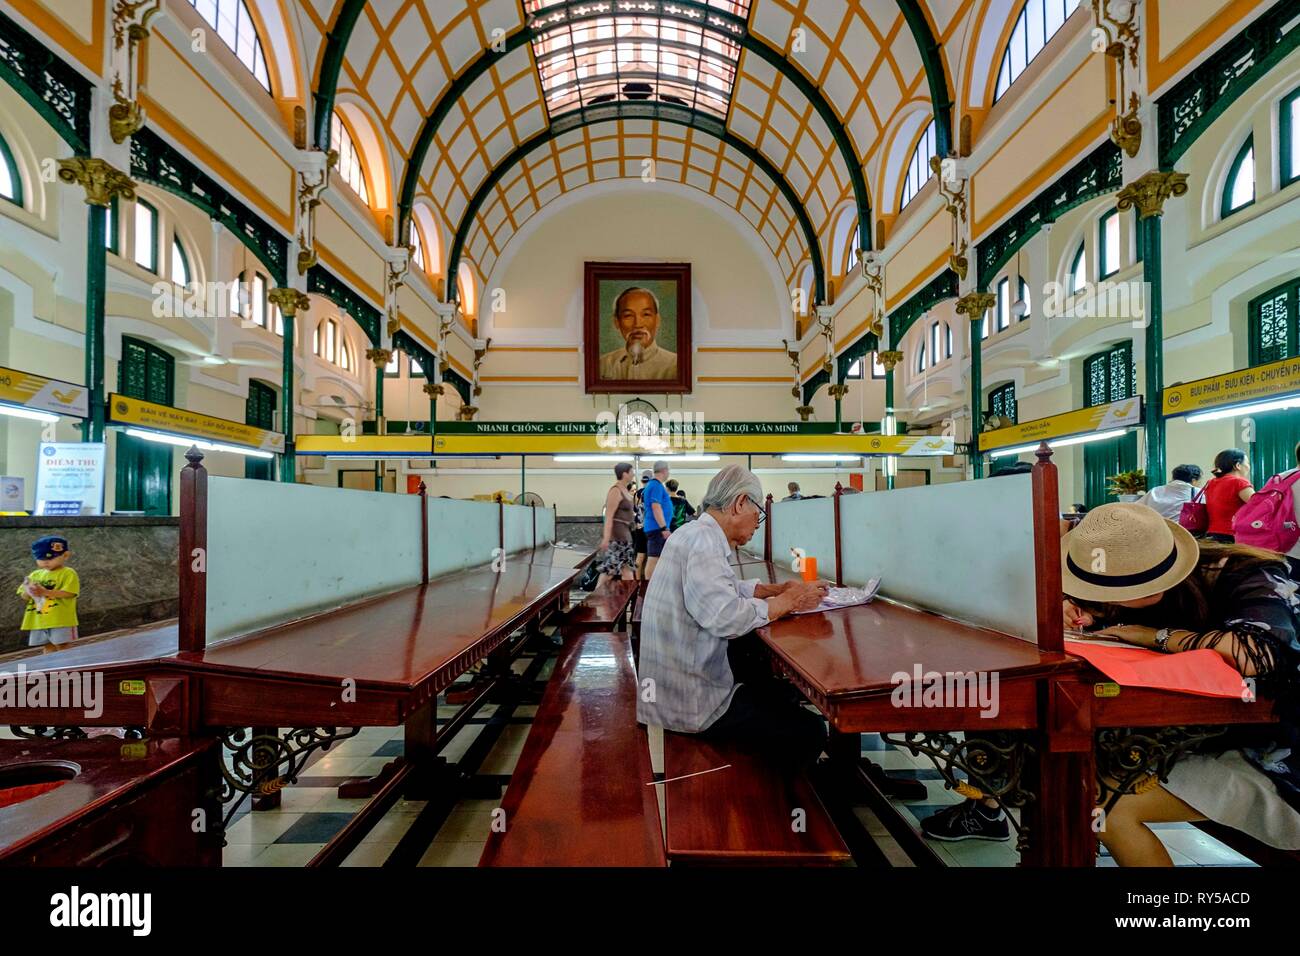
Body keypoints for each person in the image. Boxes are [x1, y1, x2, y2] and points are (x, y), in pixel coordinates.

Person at [1061, 503, 1300, 865]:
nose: (1102, 598)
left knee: (1106, 806)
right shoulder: (1131, 587)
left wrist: (1154, 636)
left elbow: (1255, 655)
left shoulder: (1252, 576)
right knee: (1082, 777)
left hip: (1280, 746)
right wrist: (1070, 607)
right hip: (1225, 730)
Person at [637, 464, 830, 768]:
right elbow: (725, 618)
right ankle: (780, 806)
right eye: (758, 514)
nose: (757, 524)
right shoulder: (703, 542)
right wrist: (788, 601)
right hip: (692, 702)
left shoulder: (694, 533)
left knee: (777, 691)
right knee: (810, 730)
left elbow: (719, 590)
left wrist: (773, 589)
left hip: (672, 686)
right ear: (741, 503)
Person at [597, 287, 678, 381]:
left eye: (646, 314)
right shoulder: (603, 364)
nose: (638, 324)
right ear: (617, 322)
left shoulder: (675, 365)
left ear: (657, 320)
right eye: (628, 315)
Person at [18, 535, 80, 654]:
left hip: (61, 619)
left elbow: (69, 593)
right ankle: (53, 670)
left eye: (51, 558)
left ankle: (68, 668)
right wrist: (30, 592)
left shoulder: (68, 573)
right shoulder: (35, 574)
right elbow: (23, 595)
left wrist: (45, 592)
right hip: (39, 619)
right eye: (41, 558)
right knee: (47, 646)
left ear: (65, 555)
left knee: (63, 646)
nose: (45, 562)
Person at [595, 462, 637, 588]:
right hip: (618, 537)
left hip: (625, 536)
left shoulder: (625, 490)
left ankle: (627, 598)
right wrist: (606, 538)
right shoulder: (615, 491)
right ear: (625, 474)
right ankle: (595, 597)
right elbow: (609, 516)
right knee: (610, 571)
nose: (633, 473)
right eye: (631, 471)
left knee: (626, 571)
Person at [1204, 448, 1255, 542]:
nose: (1249, 466)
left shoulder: (1211, 482)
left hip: (1213, 533)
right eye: (1247, 463)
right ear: (1238, 465)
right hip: (1233, 534)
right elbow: (1259, 506)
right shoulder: (1239, 482)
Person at [642, 460, 675, 580]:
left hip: (655, 528)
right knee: (653, 559)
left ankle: (654, 585)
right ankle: (648, 587)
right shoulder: (656, 485)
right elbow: (656, 507)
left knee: (657, 558)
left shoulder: (654, 485)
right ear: (664, 470)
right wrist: (664, 527)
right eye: (668, 471)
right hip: (657, 528)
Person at [1137, 464, 1203, 520]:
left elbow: (1135, 508)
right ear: (1194, 480)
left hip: (1157, 530)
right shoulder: (1199, 493)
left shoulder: (1155, 491)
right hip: (1185, 533)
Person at [632, 469, 650, 579]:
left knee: (640, 555)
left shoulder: (636, 494)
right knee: (652, 557)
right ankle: (649, 582)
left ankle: (637, 581)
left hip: (639, 528)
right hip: (650, 528)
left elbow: (634, 510)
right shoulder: (651, 492)